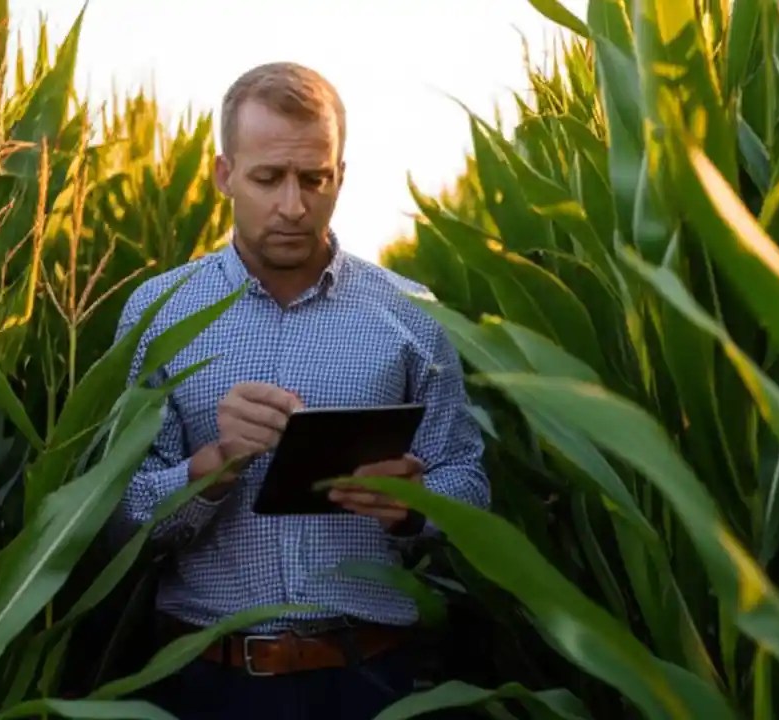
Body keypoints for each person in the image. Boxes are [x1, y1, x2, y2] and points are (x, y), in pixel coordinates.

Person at [108, 61, 491, 720]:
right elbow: (116, 519)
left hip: (372, 680)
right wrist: (211, 469)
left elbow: (469, 481)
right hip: (207, 682)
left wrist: (410, 505)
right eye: (267, 178)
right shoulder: (161, 314)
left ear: (340, 175)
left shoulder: (411, 314)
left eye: (314, 179)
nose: (292, 205)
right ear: (225, 175)